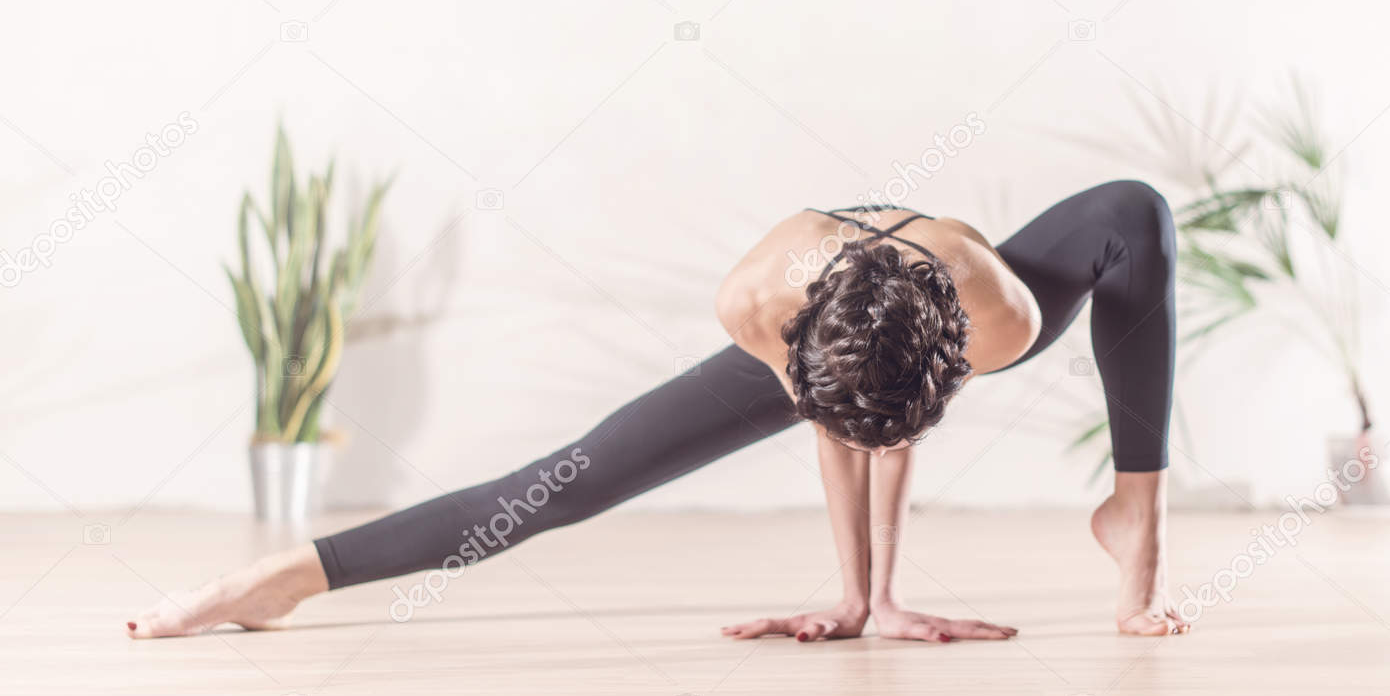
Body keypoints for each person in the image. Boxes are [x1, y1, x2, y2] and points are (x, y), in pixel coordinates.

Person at [128, 180, 1187, 642]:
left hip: (926, 307)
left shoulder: (994, 311)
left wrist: (884, 600)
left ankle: (1136, 519)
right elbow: (841, 427)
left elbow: (886, 430)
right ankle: (277, 579)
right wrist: (861, 599)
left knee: (1132, 214)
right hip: (836, 320)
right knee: (567, 480)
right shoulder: (757, 294)